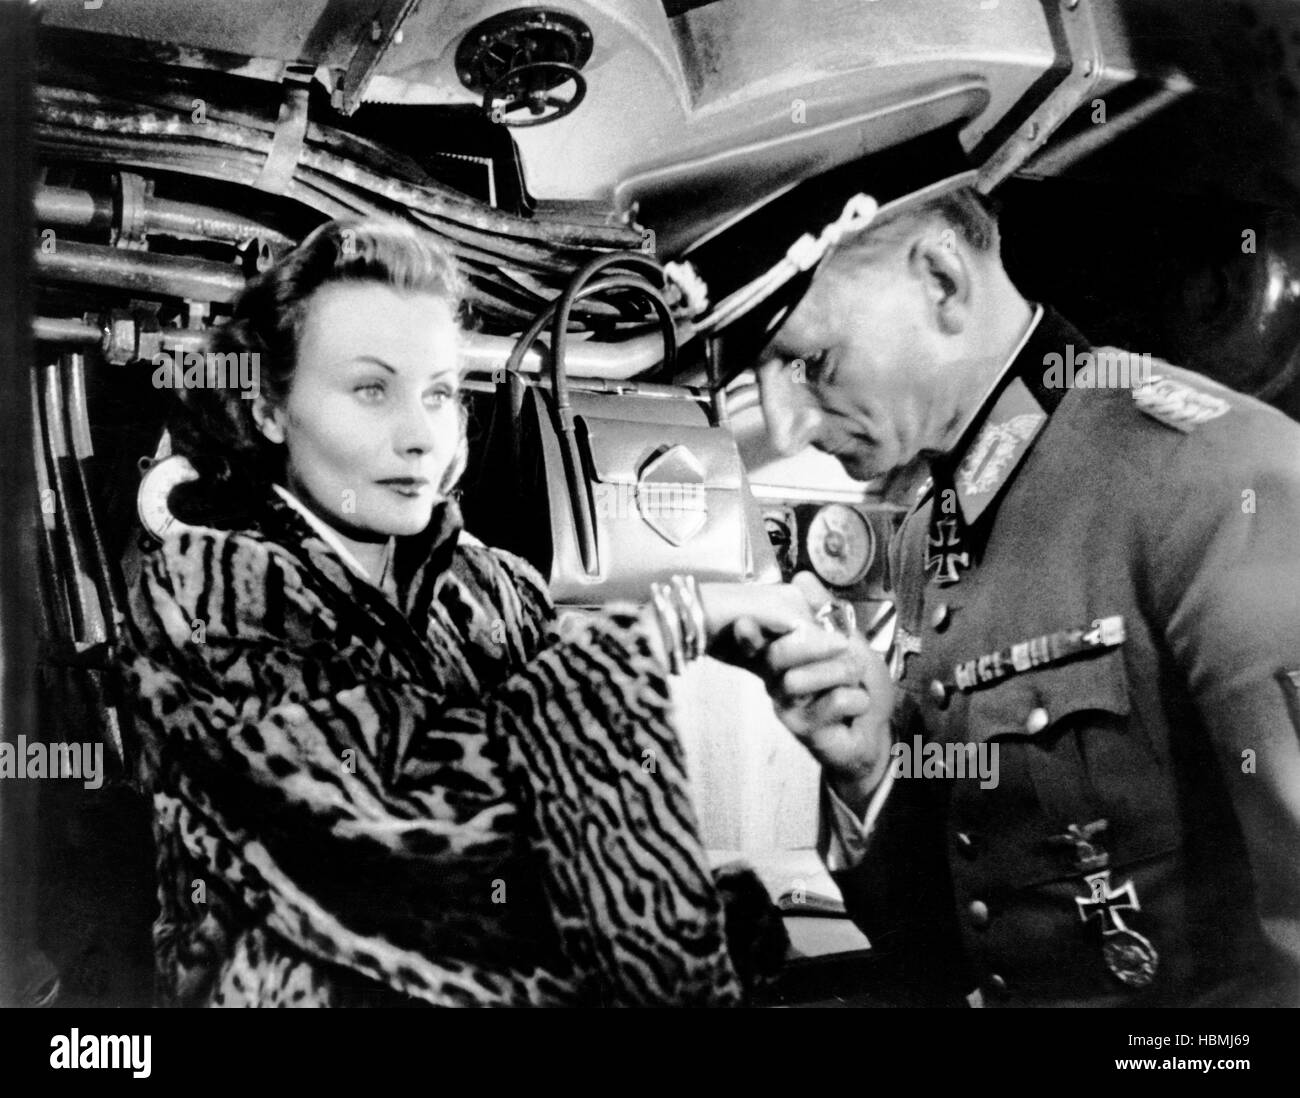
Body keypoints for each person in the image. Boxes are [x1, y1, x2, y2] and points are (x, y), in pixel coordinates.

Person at [116, 217, 817, 1007]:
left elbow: (579, 842)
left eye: (440, 393)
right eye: (371, 389)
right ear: (272, 410)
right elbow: (392, 839)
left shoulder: (499, 592)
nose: (420, 435)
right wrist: (671, 627)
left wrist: (704, 904)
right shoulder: (198, 596)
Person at [751, 184, 1300, 1006]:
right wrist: (871, 773)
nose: (783, 425)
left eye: (813, 364)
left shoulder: (1220, 475)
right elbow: (958, 939)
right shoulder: (925, 537)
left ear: (941, 281)